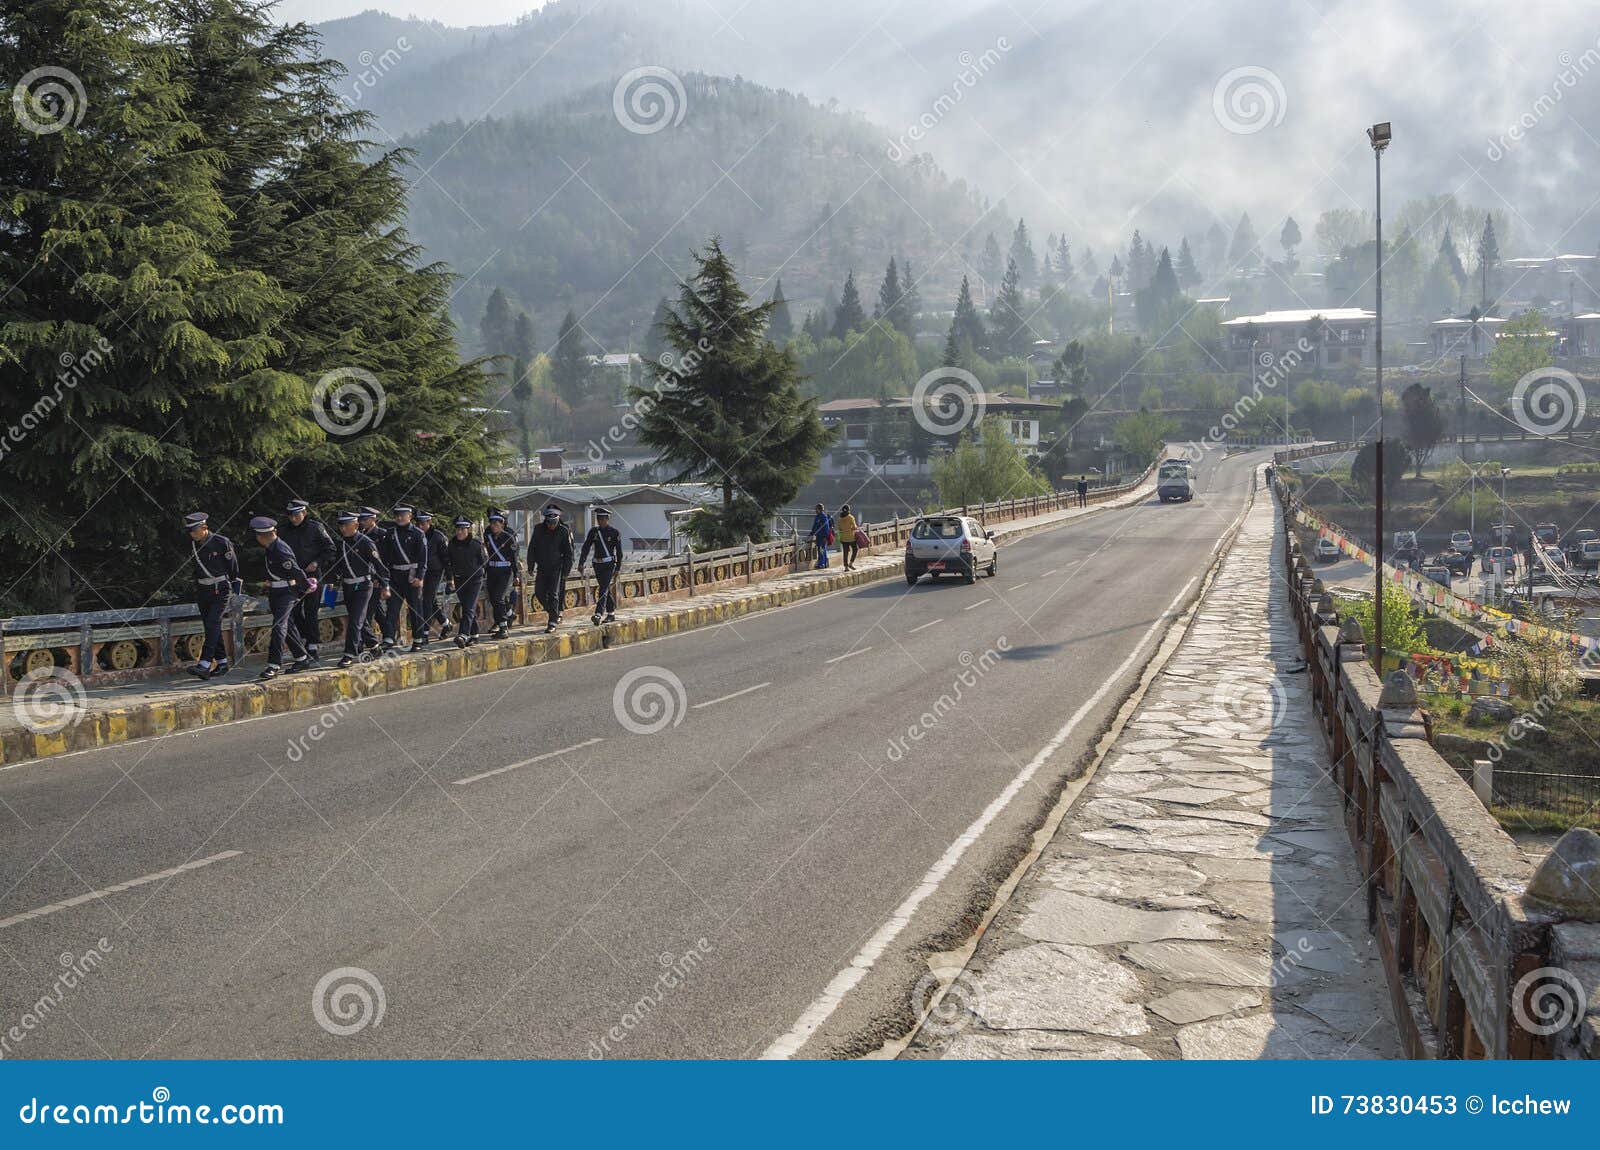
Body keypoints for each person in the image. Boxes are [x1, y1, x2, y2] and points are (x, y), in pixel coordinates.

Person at [251, 516, 313, 680]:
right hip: (276, 591)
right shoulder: (271, 548)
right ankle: (302, 657)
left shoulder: (280, 548)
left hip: (286, 592)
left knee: (279, 626)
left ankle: (274, 664)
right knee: (288, 626)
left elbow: (295, 571)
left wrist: (306, 587)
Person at [279, 498, 336, 667]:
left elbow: (330, 549)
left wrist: (317, 562)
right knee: (294, 612)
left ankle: (312, 648)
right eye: (290, 515)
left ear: (304, 513)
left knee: (311, 611)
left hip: (312, 576)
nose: (293, 518)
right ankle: (303, 640)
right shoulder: (284, 531)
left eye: (296, 515)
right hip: (293, 577)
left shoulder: (315, 528)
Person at [330, 510, 389, 668]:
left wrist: (385, 585)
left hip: (363, 586)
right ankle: (374, 645)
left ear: (355, 524)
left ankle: (349, 653)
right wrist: (333, 583)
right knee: (360, 621)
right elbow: (338, 566)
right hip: (348, 585)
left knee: (355, 620)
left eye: (346, 525)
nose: (343, 528)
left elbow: (379, 566)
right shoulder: (341, 543)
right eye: (341, 525)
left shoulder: (365, 542)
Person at [184, 511, 239, 680]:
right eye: (190, 531)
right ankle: (222, 663)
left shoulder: (221, 542)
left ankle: (205, 664)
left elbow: (233, 567)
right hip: (203, 590)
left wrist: (230, 586)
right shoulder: (193, 545)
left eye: (195, 531)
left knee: (213, 623)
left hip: (220, 588)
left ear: (204, 528)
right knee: (210, 626)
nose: (192, 534)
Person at [381, 504, 430, 652]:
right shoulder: (390, 534)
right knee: (392, 608)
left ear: (410, 516)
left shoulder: (417, 534)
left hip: (412, 575)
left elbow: (423, 559)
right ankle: (388, 638)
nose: (400, 518)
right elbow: (385, 557)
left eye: (403, 515)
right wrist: (385, 579)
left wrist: (420, 577)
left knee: (415, 608)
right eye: (397, 515)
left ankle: (418, 639)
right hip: (395, 575)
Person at [528, 505, 574, 633]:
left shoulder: (564, 530)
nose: (551, 525)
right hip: (542, 567)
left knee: (554, 594)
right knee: (539, 593)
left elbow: (569, 554)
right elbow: (532, 548)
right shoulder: (538, 529)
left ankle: (552, 621)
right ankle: (552, 612)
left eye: (553, 522)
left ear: (558, 520)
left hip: (557, 568)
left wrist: (566, 571)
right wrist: (530, 566)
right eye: (549, 522)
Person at [444, 516, 488, 648]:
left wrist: (478, 572)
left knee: (469, 607)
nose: (460, 532)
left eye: (463, 529)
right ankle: (474, 634)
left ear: (468, 530)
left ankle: (463, 634)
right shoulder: (452, 544)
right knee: (467, 606)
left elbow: (484, 561)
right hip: (459, 579)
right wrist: (450, 578)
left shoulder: (476, 544)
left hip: (474, 580)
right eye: (458, 529)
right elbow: (448, 563)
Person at [578, 506, 625, 625]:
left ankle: (598, 613)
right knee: (604, 588)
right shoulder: (594, 532)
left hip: (609, 564)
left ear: (607, 519)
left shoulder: (614, 532)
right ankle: (611, 613)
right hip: (597, 564)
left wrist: (618, 568)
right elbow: (586, 547)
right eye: (599, 518)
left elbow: (619, 552)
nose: (601, 521)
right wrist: (581, 562)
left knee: (603, 588)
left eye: (603, 518)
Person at [483, 509, 520, 639]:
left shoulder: (508, 538)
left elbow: (514, 558)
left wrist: (516, 575)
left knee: (498, 597)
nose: (493, 526)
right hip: (492, 570)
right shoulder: (488, 536)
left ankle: (503, 626)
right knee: (493, 598)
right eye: (492, 523)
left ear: (502, 524)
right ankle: (508, 615)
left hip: (505, 572)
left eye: (496, 523)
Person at [357, 506, 389, 652]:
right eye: (360, 519)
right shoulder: (359, 536)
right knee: (375, 610)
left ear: (373, 519)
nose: (362, 522)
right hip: (367, 577)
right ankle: (388, 634)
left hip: (377, 578)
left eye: (365, 519)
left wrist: (382, 581)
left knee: (369, 611)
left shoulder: (382, 535)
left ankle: (369, 641)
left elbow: (384, 561)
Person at [417, 510, 452, 642]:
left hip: (434, 572)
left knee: (426, 601)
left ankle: (425, 632)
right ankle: (445, 624)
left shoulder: (438, 537)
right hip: (421, 572)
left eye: (422, 523)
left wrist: (450, 579)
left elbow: (446, 559)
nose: (420, 526)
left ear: (429, 522)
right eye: (418, 523)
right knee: (429, 601)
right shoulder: (416, 535)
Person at [809, 502, 833, 569]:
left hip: (822, 536)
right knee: (821, 549)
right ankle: (824, 563)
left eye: (816, 509)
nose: (815, 510)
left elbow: (826, 528)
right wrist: (812, 532)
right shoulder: (817, 517)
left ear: (819, 509)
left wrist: (825, 536)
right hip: (818, 536)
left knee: (821, 550)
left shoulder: (823, 517)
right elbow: (815, 526)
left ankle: (822, 563)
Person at [836, 504, 859, 571]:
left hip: (843, 538)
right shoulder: (850, 517)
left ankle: (846, 567)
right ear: (848, 510)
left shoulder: (840, 519)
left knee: (845, 552)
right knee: (855, 549)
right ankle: (851, 563)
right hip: (851, 537)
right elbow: (854, 527)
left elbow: (839, 528)